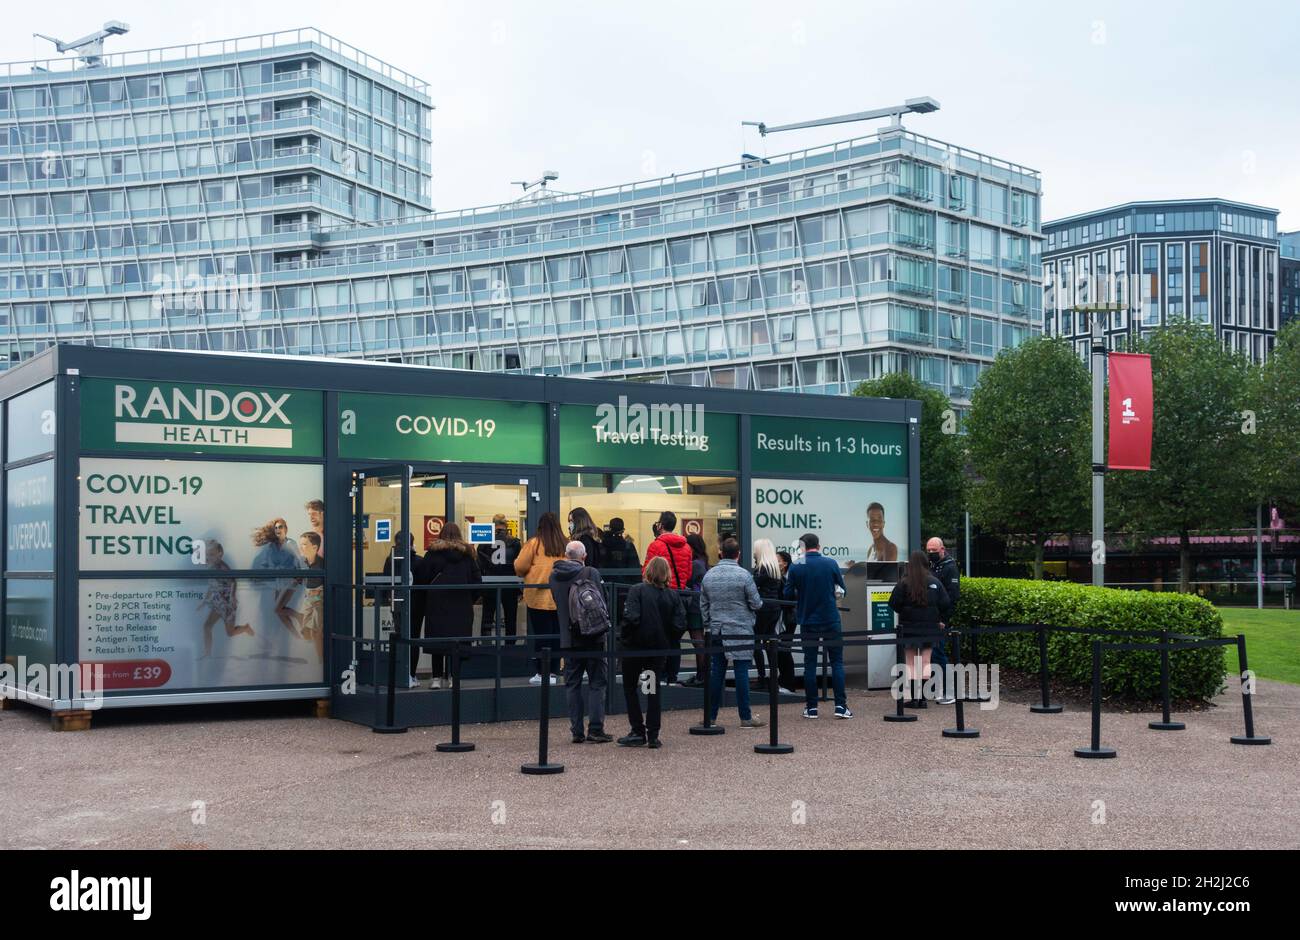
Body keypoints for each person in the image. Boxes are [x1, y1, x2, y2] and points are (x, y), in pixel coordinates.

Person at [618, 556, 686, 748]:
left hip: (635, 648)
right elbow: (679, 623)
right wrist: (669, 640)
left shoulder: (637, 590)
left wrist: (624, 638)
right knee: (652, 690)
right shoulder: (672, 595)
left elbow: (631, 618)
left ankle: (638, 730)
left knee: (630, 688)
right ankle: (653, 734)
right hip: (657, 649)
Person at [784, 532, 852, 719]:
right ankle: (840, 706)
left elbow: (787, 593)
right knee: (837, 662)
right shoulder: (830, 563)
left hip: (808, 620)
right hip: (831, 619)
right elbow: (842, 589)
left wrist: (802, 593)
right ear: (819, 546)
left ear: (802, 548)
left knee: (810, 664)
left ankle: (811, 707)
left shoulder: (796, 566)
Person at [550, 540, 611, 744]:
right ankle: (595, 729)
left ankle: (576, 731)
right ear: (583, 556)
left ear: (566, 555)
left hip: (569, 638)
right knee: (597, 682)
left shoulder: (554, 576)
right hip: (593, 635)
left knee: (572, 684)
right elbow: (602, 601)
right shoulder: (591, 573)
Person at [701, 537, 765, 729]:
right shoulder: (744, 575)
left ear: (721, 553)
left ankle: (710, 717)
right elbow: (756, 603)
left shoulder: (709, 575)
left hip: (717, 629)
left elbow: (703, 604)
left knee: (717, 672)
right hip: (741, 629)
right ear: (738, 554)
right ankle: (745, 717)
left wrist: (708, 624)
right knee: (741, 672)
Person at [421, 522, 482, 690]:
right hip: (461, 605)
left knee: (437, 640)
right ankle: (454, 678)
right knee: (457, 642)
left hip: (437, 604)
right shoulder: (468, 555)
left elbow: (423, 579)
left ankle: (436, 678)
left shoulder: (432, 554)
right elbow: (477, 581)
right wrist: (469, 599)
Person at [890, 550, 952, 708]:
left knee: (910, 662)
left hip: (909, 627)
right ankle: (924, 698)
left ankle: (912, 698)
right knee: (926, 661)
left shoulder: (903, 582)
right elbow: (946, 604)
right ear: (926, 563)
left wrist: (905, 612)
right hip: (930, 627)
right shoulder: (934, 582)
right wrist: (939, 619)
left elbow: (893, 603)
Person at [515, 511, 567, 685]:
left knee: (541, 635)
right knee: (557, 635)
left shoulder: (534, 544)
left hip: (538, 597)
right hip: (561, 597)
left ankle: (542, 672)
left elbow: (520, 566)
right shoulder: (565, 543)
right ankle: (554, 671)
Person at [665, 531, 708, 685]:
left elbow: (687, 580)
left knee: (697, 640)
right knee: (697, 639)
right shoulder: (702, 561)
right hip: (697, 605)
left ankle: (701, 676)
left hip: (694, 606)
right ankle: (700, 675)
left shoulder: (696, 564)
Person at [383, 530, 425, 688]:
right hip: (416, 606)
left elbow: (386, 582)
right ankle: (412, 675)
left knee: (401, 639)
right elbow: (423, 585)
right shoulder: (419, 561)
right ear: (412, 543)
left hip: (398, 604)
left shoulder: (391, 560)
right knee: (413, 639)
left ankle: (401, 674)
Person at [197, 540, 252, 659]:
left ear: (220, 554)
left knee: (230, 633)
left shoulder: (223, 567)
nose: (209, 557)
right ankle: (207, 654)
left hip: (227, 604)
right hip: (218, 603)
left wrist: (232, 597)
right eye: (208, 554)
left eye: (212, 554)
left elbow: (233, 582)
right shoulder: (210, 567)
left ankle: (245, 628)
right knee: (207, 626)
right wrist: (204, 601)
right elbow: (212, 586)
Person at [252, 518, 304, 640]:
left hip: (291, 580)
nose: (278, 529)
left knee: (277, 609)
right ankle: (297, 636)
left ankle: (299, 617)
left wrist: (300, 575)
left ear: (285, 529)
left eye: (280, 527)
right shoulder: (271, 547)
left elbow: (299, 559)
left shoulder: (291, 543)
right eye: (276, 528)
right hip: (278, 582)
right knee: (279, 612)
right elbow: (265, 563)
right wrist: (259, 575)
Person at [751, 539, 791, 694]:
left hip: (763, 608)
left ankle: (762, 678)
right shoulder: (774, 568)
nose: (754, 552)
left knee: (756, 642)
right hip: (774, 608)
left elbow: (751, 586)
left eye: (755, 549)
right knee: (770, 641)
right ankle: (773, 677)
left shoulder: (762, 569)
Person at [927, 537, 961, 705]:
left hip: (940, 619)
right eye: (929, 551)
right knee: (932, 654)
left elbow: (953, 596)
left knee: (939, 654)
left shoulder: (950, 567)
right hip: (931, 618)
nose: (931, 553)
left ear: (942, 549)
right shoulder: (933, 565)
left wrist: (943, 619)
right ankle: (934, 689)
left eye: (934, 550)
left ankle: (949, 692)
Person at [478, 513, 522, 644]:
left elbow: (479, 564)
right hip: (510, 585)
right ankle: (510, 648)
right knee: (510, 618)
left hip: (490, 584)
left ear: (493, 524)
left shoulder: (485, 541)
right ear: (506, 525)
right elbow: (519, 565)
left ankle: (486, 646)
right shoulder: (514, 542)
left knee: (487, 617)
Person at [297, 532, 325, 665]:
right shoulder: (303, 562)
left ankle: (320, 661)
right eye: (300, 544)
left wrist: (318, 593)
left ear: (314, 547)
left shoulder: (322, 564)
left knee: (316, 632)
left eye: (304, 544)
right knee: (304, 631)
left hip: (320, 598)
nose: (300, 547)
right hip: (308, 598)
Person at [775, 550, 798, 692]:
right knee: (780, 650)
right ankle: (783, 681)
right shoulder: (780, 578)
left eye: (777, 560)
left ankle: (788, 684)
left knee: (784, 650)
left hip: (789, 618)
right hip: (784, 618)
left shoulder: (789, 578)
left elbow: (789, 598)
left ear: (785, 563)